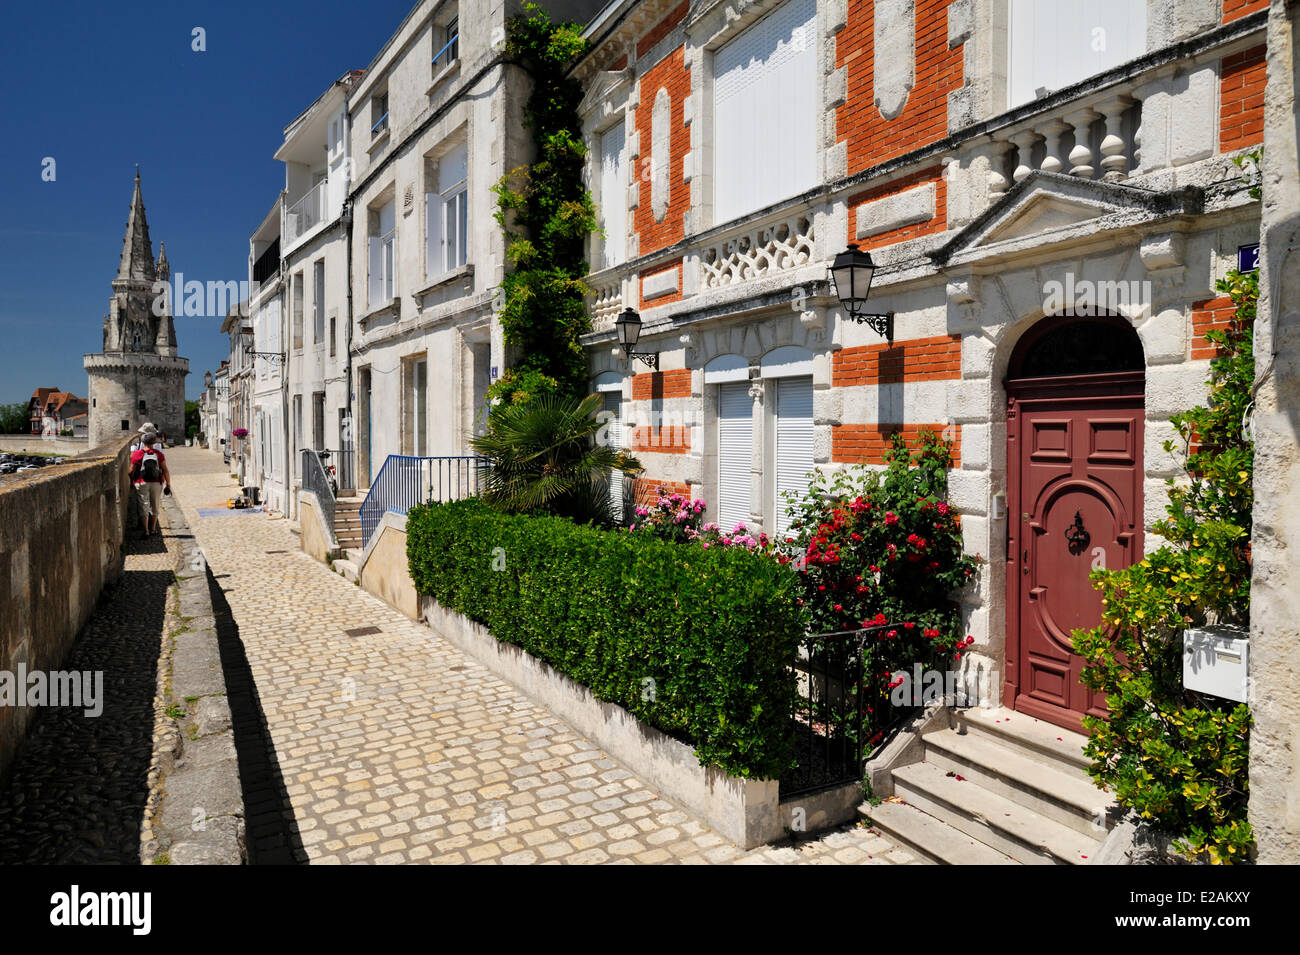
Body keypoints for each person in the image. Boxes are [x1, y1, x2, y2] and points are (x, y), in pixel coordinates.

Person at [130, 432, 171, 536]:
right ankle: (153, 529)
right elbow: (165, 470)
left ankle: (145, 530)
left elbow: (131, 471)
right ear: (154, 442)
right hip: (157, 482)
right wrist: (168, 485)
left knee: (143, 505)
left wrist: (132, 482)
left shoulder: (137, 454)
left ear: (143, 442)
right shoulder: (158, 454)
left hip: (141, 482)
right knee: (155, 505)